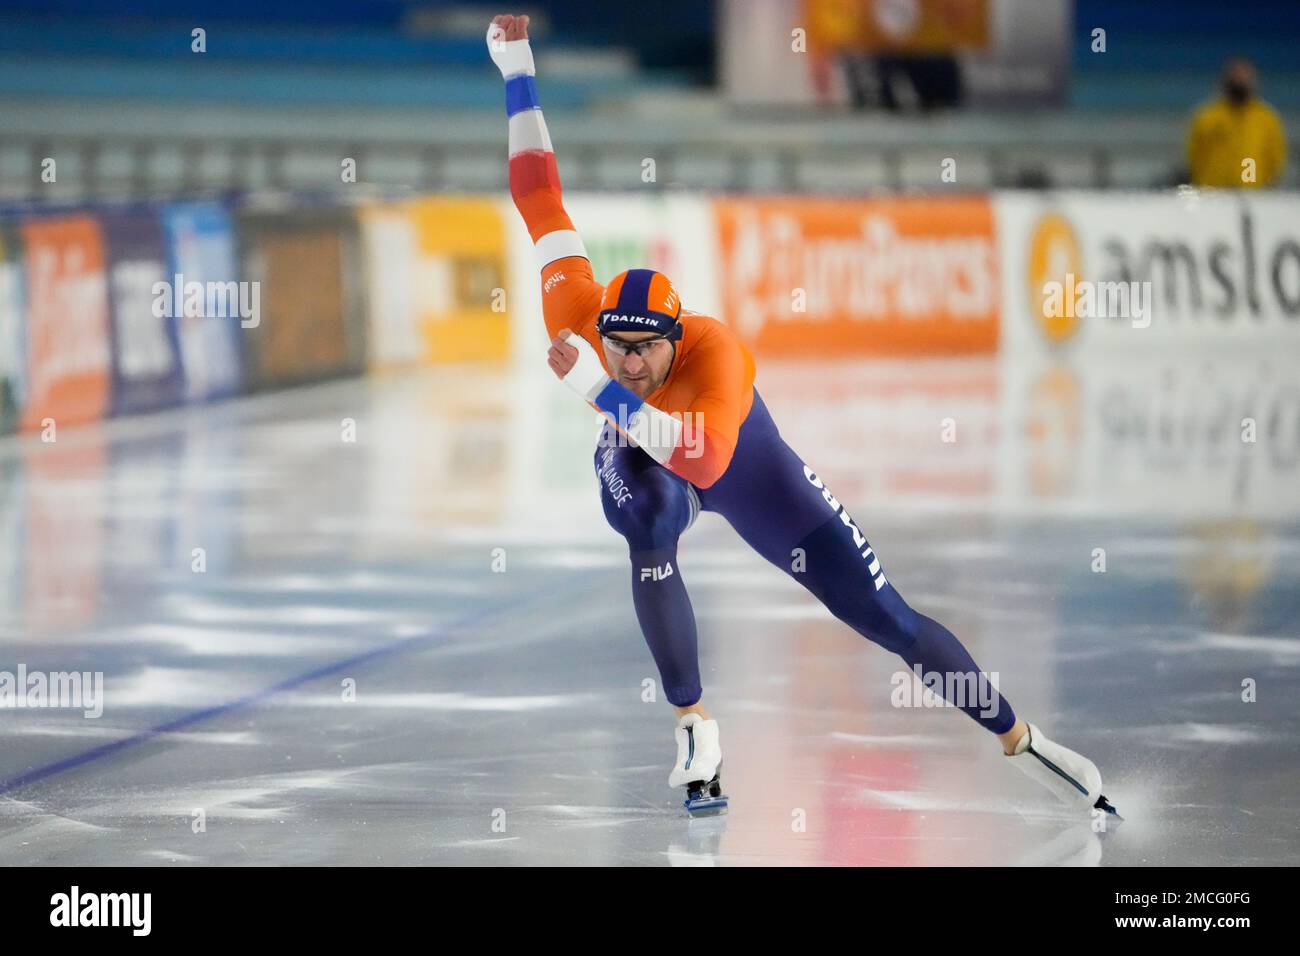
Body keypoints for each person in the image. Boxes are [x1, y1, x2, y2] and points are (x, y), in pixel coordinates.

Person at [488, 13, 1119, 818]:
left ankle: (1019, 736)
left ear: (677, 342)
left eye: (648, 351)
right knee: (646, 510)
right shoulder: (579, 318)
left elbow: (706, 461)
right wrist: (518, 68)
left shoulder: (716, 356)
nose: (632, 362)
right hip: (648, 463)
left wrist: (599, 392)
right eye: (620, 351)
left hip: (740, 461)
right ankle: (694, 724)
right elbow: (538, 190)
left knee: (881, 612)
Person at [1187, 57, 1287, 188]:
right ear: (1225, 80)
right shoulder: (1207, 116)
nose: (1240, 81)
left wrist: (1261, 183)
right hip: (1214, 192)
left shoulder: (1266, 118)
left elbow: (1275, 157)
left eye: (1245, 77)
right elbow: (1195, 155)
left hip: (1253, 190)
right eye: (1236, 76)